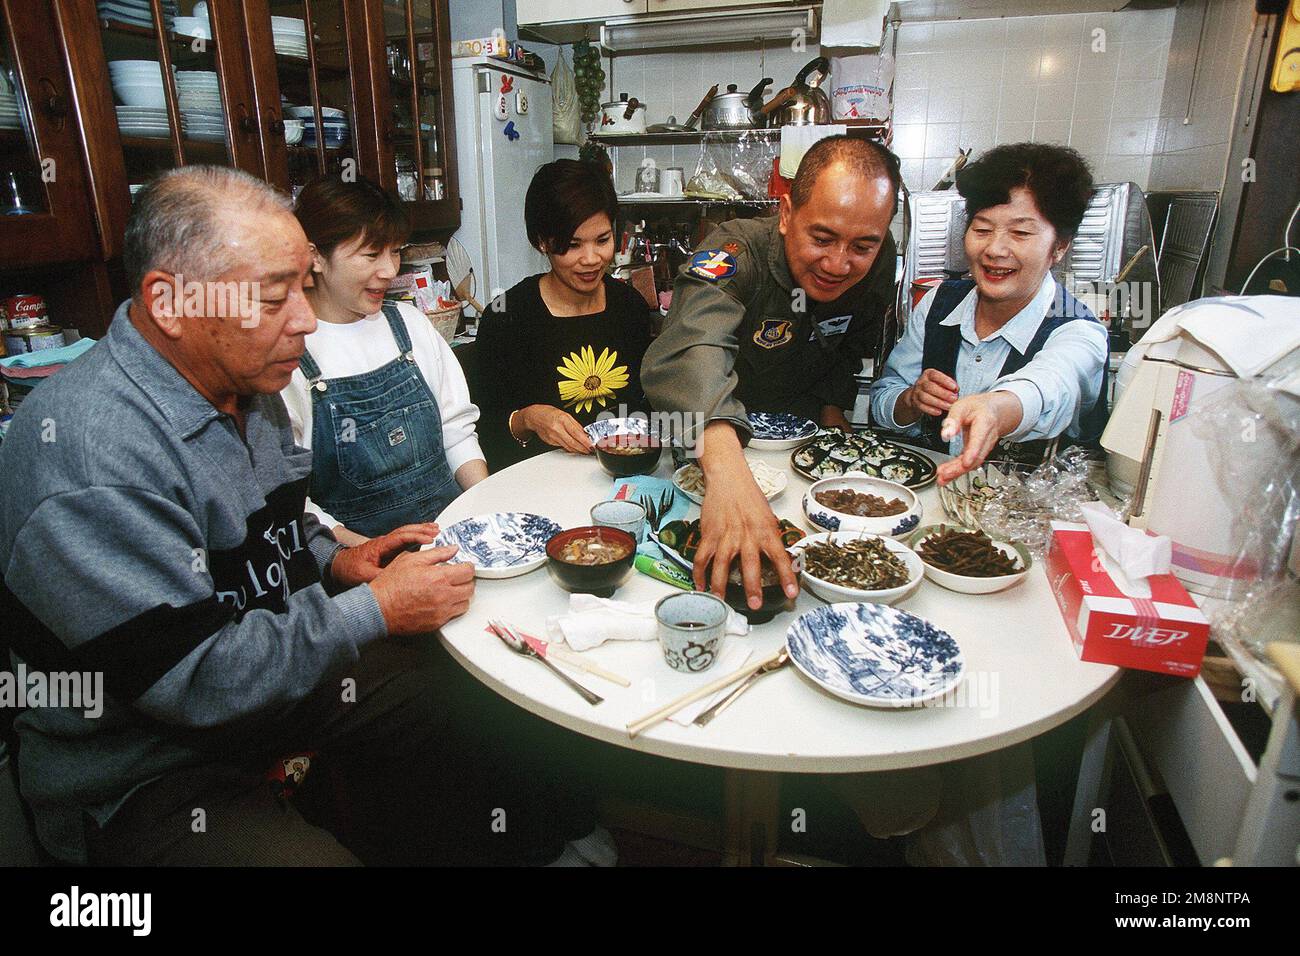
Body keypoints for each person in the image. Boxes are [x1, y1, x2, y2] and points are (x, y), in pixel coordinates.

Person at [0, 166, 594, 866]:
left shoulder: (246, 388)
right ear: (169, 302)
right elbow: (195, 679)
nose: (306, 319)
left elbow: (279, 526)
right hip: (149, 768)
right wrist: (371, 610)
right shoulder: (91, 458)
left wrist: (336, 558)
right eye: (275, 295)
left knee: (470, 702)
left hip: (271, 695)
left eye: (302, 286)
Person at [641, 135, 900, 606]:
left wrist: (832, 408)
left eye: (862, 246)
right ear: (785, 215)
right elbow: (694, 346)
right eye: (821, 238)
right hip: (708, 441)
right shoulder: (735, 251)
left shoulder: (880, 259)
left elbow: (852, 340)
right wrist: (726, 471)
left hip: (796, 445)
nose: (838, 264)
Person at [869, 143, 1109, 485]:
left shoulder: (1078, 331)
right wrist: (910, 400)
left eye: (1021, 233)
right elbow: (885, 397)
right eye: (982, 229)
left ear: (1059, 246)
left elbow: (1052, 384)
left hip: (1020, 522)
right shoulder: (940, 303)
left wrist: (998, 409)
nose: (995, 250)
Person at [282, 176, 487, 546]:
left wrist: (487, 506)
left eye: (395, 251)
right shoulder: (287, 356)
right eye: (371, 255)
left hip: (453, 536)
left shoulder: (409, 325)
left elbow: (456, 432)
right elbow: (296, 503)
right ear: (314, 256)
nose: (390, 270)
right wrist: (370, 555)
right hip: (364, 564)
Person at [475, 159, 653, 470]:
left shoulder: (629, 307)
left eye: (602, 240)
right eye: (572, 245)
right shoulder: (508, 318)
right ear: (541, 241)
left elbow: (648, 405)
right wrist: (528, 418)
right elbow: (483, 433)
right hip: (541, 482)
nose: (591, 259)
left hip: (624, 475)